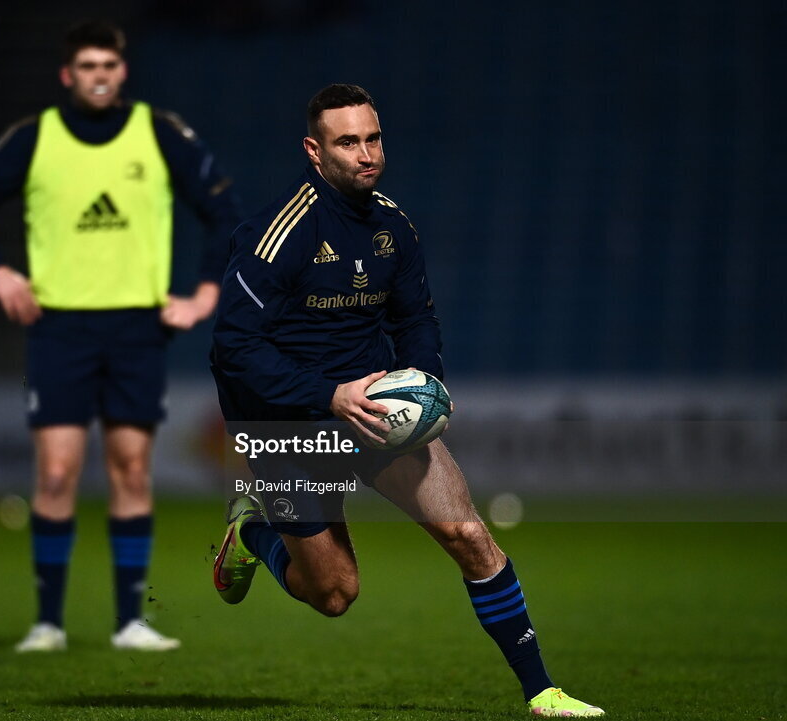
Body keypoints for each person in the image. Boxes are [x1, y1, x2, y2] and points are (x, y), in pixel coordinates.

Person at [210, 84, 604, 717]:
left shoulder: (394, 225)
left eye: (374, 138)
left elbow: (415, 318)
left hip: (372, 408)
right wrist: (326, 394)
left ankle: (542, 692)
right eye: (348, 142)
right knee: (335, 594)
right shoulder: (275, 235)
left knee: (469, 534)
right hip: (285, 419)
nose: (366, 154)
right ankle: (253, 530)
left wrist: (427, 382)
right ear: (315, 152)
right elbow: (235, 350)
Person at [0, 19, 242, 653]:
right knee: (55, 474)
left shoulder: (160, 134)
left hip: (138, 328)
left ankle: (129, 621)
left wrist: (206, 294)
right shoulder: (34, 139)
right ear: (67, 74)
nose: (99, 77)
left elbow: (223, 211)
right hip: (58, 329)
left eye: (108, 66)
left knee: (132, 470)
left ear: (122, 71)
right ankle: (48, 622)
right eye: (86, 67)